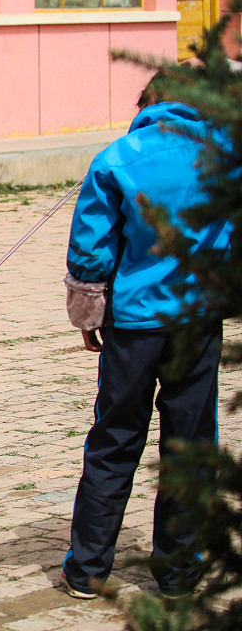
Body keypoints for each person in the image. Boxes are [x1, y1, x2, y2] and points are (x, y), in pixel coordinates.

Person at [59, 72, 233, 599]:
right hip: (196, 324)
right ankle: (179, 571)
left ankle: (88, 568)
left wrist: (89, 316)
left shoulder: (116, 157)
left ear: (146, 103)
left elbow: (91, 249)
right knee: (190, 442)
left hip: (132, 327)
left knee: (113, 439)